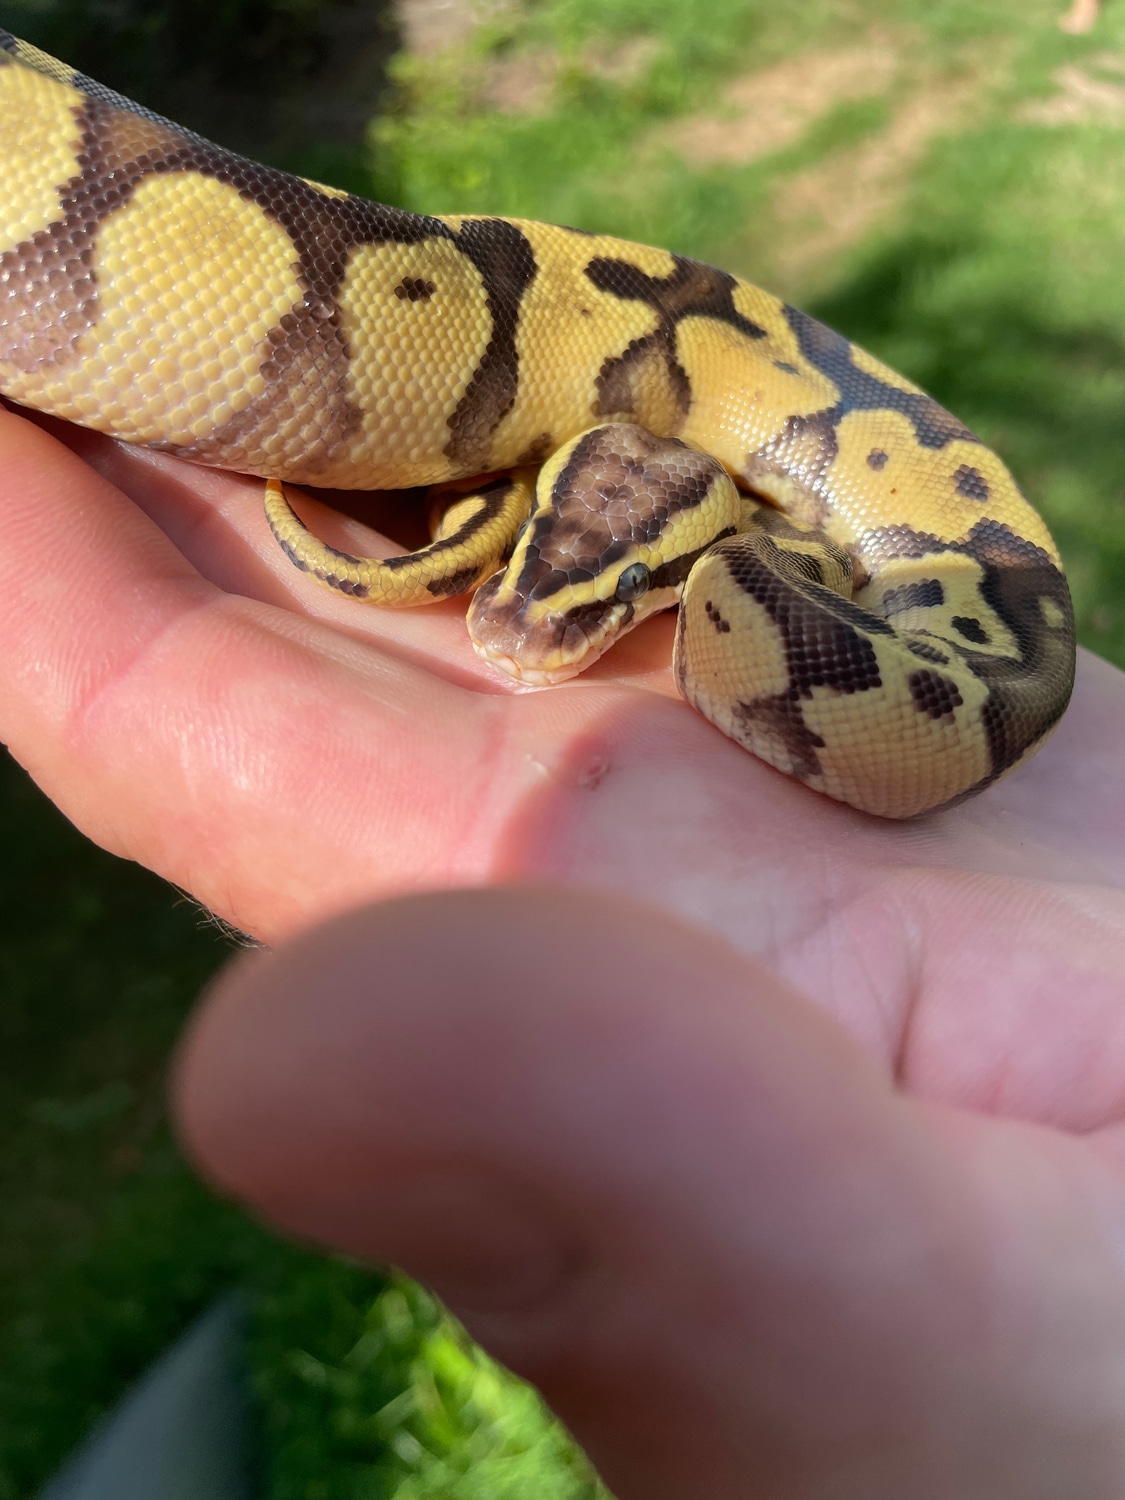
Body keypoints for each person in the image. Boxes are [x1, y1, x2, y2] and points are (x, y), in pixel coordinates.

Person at [3, 399, 1125, 1493]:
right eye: (534, 556)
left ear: (710, 558)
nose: (523, 622)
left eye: (623, 591)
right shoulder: (706, 536)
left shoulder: (756, 575)